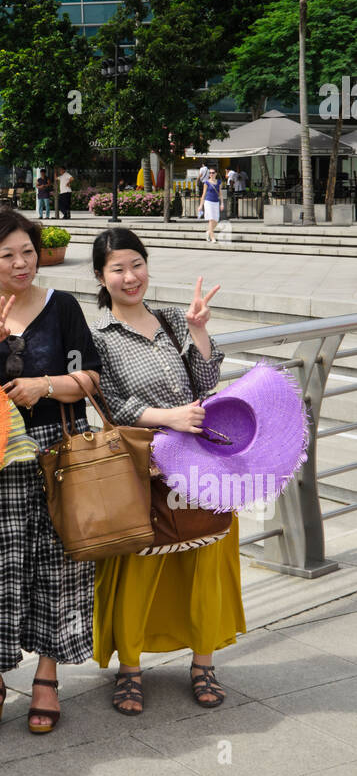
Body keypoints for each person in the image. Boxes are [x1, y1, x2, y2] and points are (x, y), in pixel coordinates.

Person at [0, 210, 102, 738]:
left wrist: (46, 386)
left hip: (57, 457)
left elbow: (91, 379)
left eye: (28, 252)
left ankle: (46, 680)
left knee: (58, 567)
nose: (21, 263)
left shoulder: (63, 308)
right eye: (7, 255)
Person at [89, 227, 244, 714]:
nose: (130, 276)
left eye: (137, 264)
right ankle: (130, 670)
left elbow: (206, 381)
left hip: (200, 464)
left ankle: (203, 664)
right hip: (143, 466)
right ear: (101, 277)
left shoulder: (174, 320)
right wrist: (166, 418)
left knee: (205, 559)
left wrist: (200, 331)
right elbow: (110, 401)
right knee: (139, 566)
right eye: (118, 268)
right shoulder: (100, 339)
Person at [202, 167, 222, 243]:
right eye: (210, 173)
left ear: (216, 173)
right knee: (211, 219)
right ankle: (213, 238)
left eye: (213, 173)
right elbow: (203, 194)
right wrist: (201, 205)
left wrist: (222, 203)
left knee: (216, 220)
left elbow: (220, 193)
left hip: (216, 202)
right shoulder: (206, 182)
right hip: (208, 202)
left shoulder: (219, 182)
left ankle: (209, 232)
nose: (211, 174)